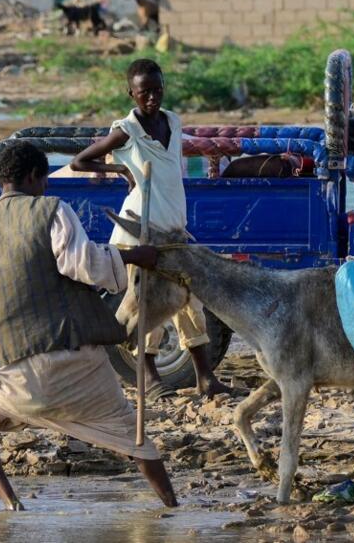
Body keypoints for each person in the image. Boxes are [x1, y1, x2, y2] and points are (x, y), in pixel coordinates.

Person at [0, 141, 177, 510]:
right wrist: (133, 257)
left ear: (0, 181)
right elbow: (84, 265)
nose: (46, 187)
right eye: (44, 180)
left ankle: (10, 502)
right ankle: (171, 506)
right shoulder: (53, 210)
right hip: (75, 373)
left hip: (10, 379)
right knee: (133, 436)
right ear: (34, 177)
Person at [71, 58, 234, 400]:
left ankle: (206, 378)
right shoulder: (126, 130)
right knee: (150, 303)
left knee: (189, 302)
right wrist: (121, 171)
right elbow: (79, 161)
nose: (151, 98)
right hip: (143, 230)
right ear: (130, 93)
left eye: (157, 90)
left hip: (173, 229)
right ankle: (149, 379)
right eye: (144, 92)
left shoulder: (172, 121)